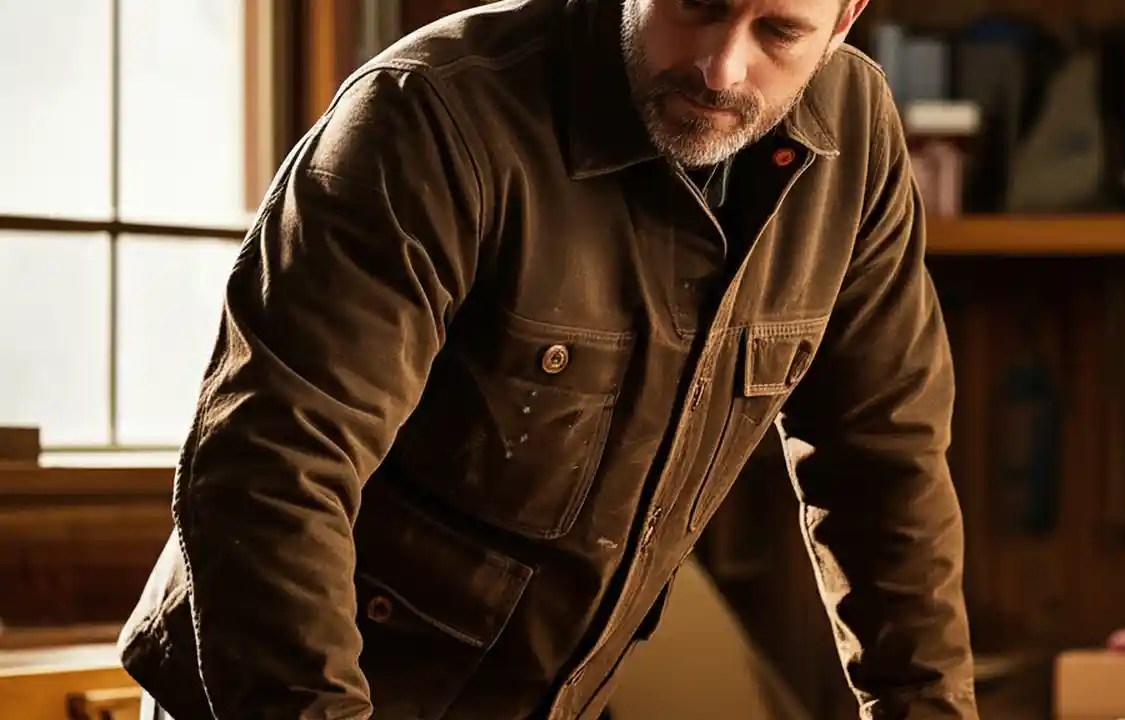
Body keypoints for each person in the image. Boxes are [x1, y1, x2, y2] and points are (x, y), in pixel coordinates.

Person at [119, 0, 977, 717]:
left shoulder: (855, 137)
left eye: (779, 32)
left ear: (845, 19)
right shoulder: (428, 115)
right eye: (699, 4)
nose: (722, 68)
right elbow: (272, 466)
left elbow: (885, 468)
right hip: (275, 694)